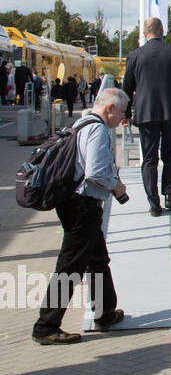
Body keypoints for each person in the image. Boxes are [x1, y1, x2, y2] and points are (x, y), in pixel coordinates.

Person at [31, 87, 130, 345]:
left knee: (98, 259)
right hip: (82, 206)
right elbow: (95, 171)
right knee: (70, 266)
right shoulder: (97, 129)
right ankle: (46, 326)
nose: (123, 118)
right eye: (121, 112)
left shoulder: (83, 121)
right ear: (110, 108)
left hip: (75, 203)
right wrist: (116, 186)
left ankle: (104, 312)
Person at [122, 17, 171, 217]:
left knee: (149, 158)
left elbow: (127, 87)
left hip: (145, 113)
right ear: (162, 31)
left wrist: (125, 114)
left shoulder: (135, 55)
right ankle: (169, 195)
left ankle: (153, 203)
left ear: (144, 33)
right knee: (169, 155)